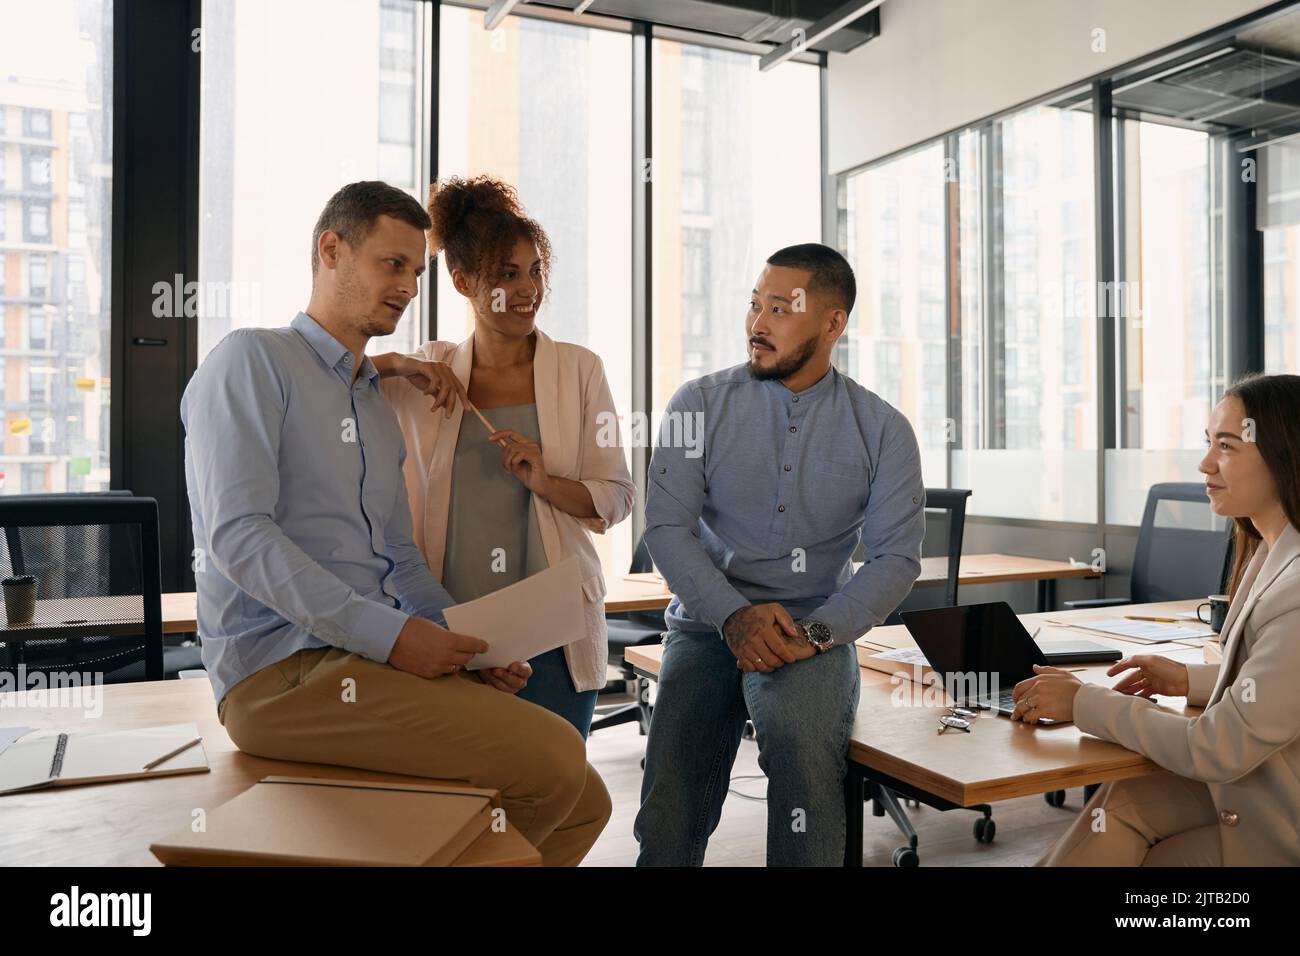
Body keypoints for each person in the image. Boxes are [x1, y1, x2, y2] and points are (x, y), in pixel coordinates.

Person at [182, 180, 611, 866]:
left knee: (589, 800)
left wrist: (468, 648)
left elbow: (401, 559)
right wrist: (395, 638)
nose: (410, 285)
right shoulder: (252, 360)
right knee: (556, 760)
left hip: (363, 662)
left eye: (415, 269)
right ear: (331, 250)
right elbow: (239, 537)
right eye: (392, 264)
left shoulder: (373, 403)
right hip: (282, 673)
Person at [633, 243, 926, 866]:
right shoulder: (698, 404)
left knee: (803, 763)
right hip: (708, 623)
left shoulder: (883, 429)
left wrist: (817, 632)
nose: (757, 324)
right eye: (754, 304)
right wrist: (734, 616)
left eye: (780, 308)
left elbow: (896, 559)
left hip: (812, 631)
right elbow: (665, 528)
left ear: (832, 323)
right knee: (669, 810)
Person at [374, 175, 634, 738]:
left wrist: (547, 482)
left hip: (553, 635)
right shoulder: (427, 374)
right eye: (507, 275)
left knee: (558, 802)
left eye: (536, 270)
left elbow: (617, 498)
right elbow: (324, 381)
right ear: (464, 281)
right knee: (462, 805)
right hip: (455, 633)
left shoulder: (580, 370)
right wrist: (396, 364)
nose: (528, 289)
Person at [1015, 372, 1300, 866]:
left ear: (1285, 456)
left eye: (1227, 447)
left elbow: (1219, 747)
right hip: (1264, 786)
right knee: (1124, 799)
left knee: (1151, 854)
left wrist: (1085, 703)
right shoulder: (1270, 551)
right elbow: (1275, 685)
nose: (1206, 463)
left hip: (1280, 820)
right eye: (1209, 443)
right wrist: (1189, 679)